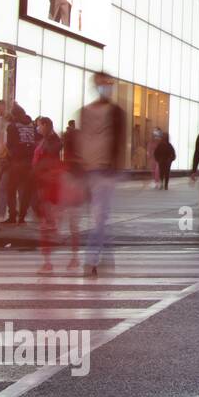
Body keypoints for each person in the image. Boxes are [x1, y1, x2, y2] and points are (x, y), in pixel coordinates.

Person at [78, 71, 127, 275]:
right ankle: (108, 256)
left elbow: (119, 141)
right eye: (101, 83)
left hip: (105, 170)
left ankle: (91, 259)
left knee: (99, 216)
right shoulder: (85, 111)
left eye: (107, 84)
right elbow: (81, 140)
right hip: (90, 169)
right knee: (100, 215)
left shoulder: (116, 112)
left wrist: (116, 166)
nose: (104, 87)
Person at [32, 117, 81, 272]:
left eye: (39, 125)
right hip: (55, 187)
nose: (37, 128)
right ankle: (71, 259)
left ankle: (49, 262)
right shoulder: (47, 143)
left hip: (53, 188)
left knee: (48, 227)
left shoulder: (52, 144)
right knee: (68, 225)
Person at [4, 103, 38, 224]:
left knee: (11, 189)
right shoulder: (32, 125)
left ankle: (12, 215)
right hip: (31, 162)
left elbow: (10, 145)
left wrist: (11, 158)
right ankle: (22, 217)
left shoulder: (12, 127)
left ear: (14, 115)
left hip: (17, 162)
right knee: (27, 190)